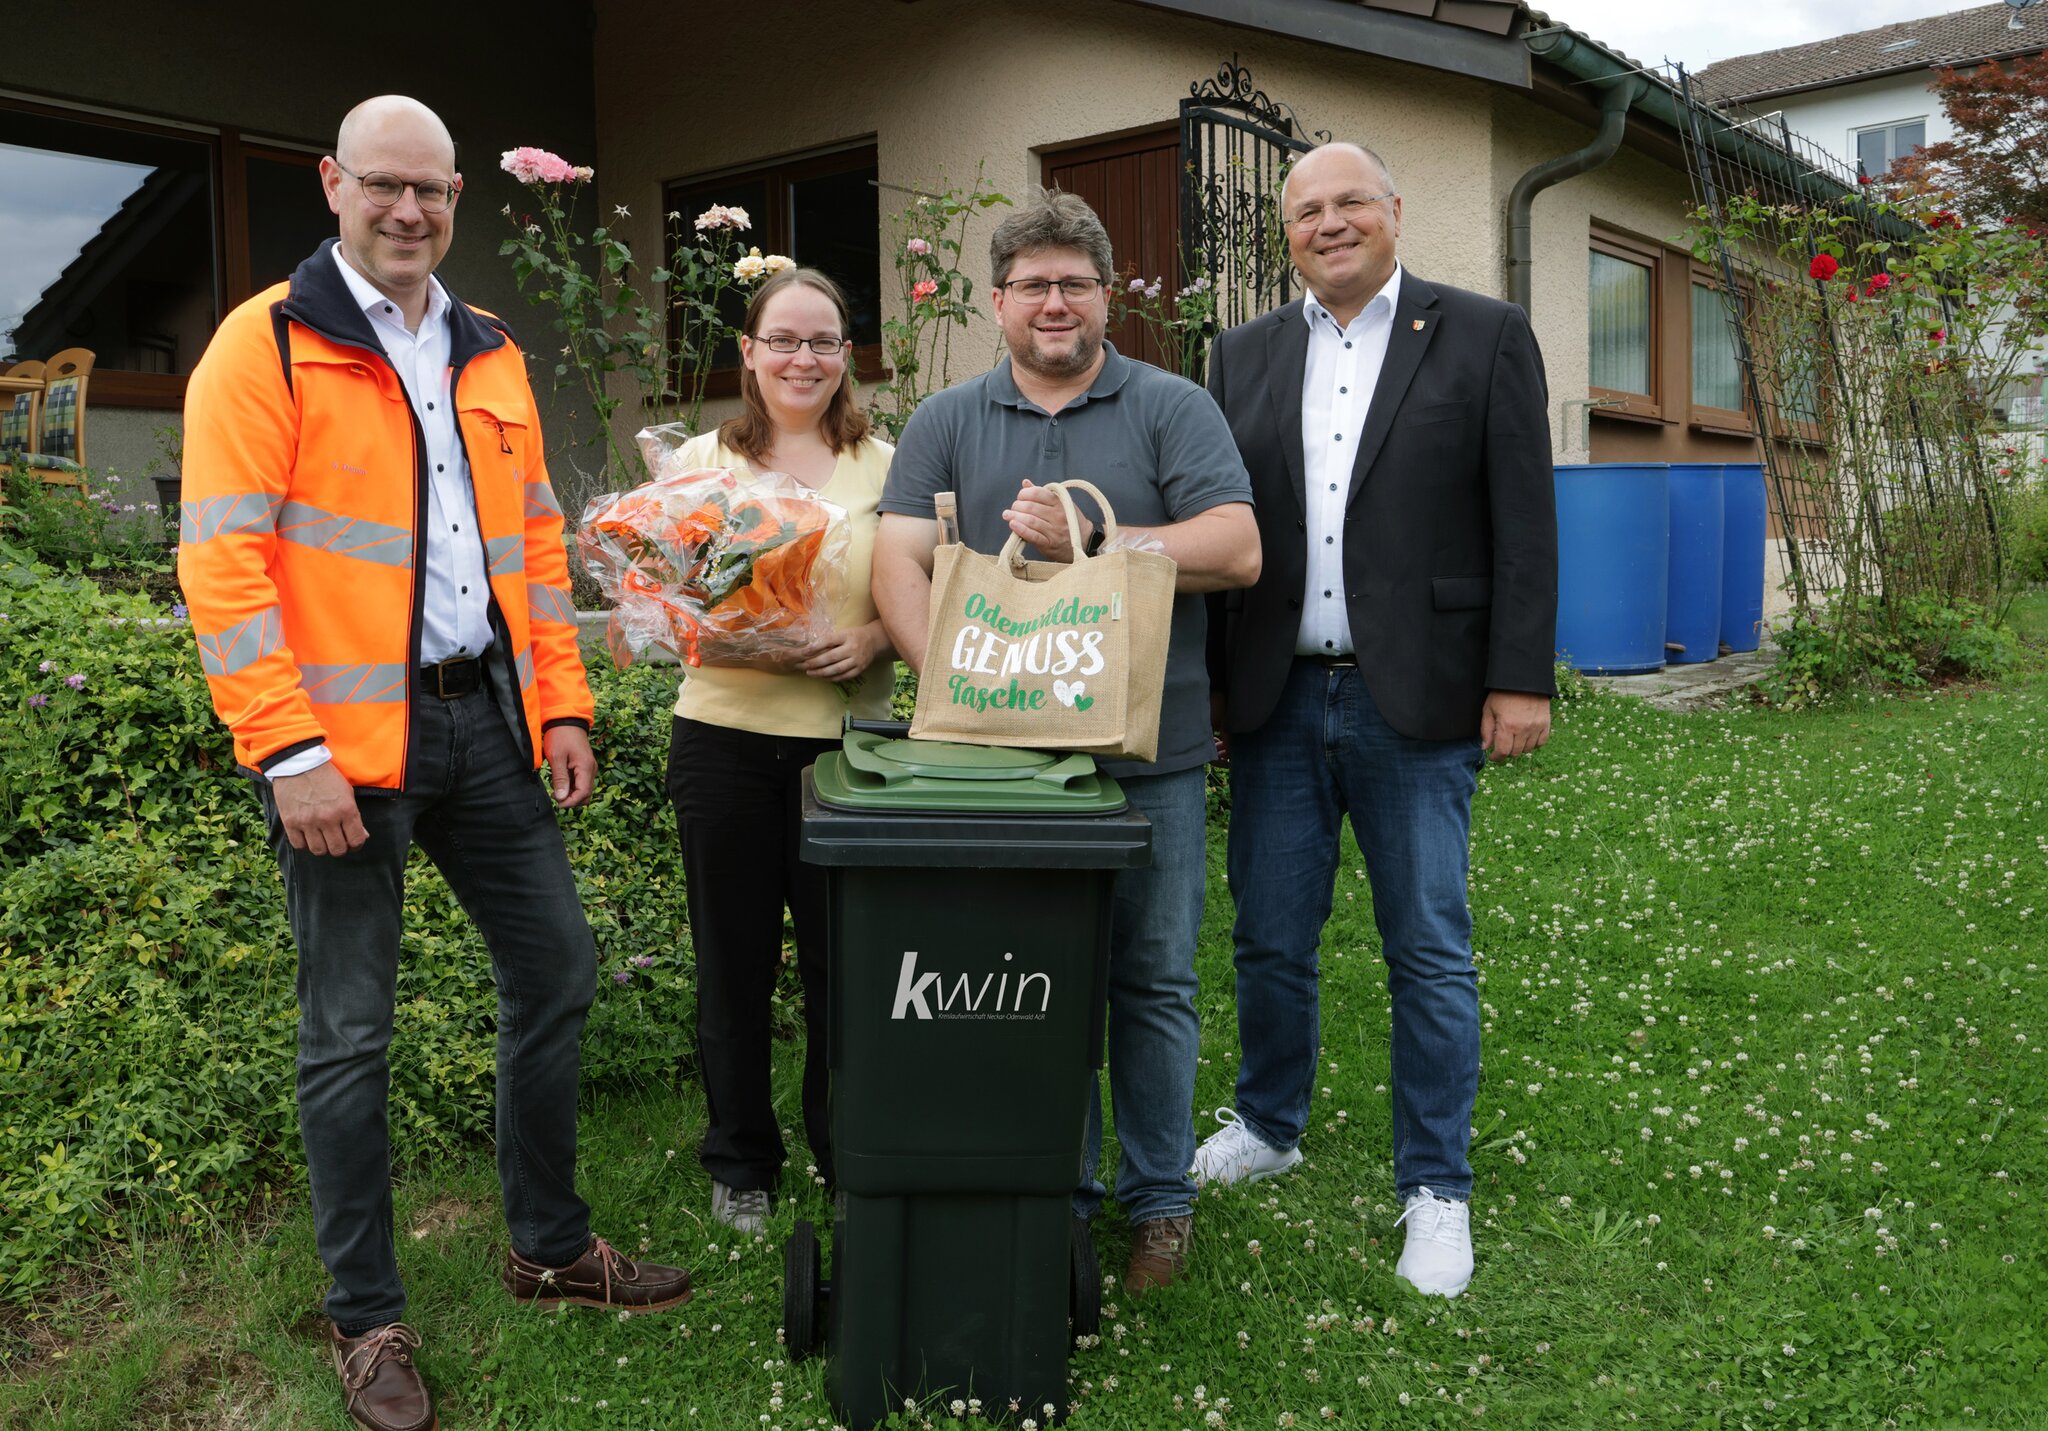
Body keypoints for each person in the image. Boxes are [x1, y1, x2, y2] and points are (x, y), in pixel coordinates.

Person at [178, 95, 690, 1431]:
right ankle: (367, 1313)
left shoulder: (491, 348)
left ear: (458, 197)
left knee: (558, 966)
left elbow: (526, 542)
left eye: (434, 191)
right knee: (348, 1031)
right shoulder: (266, 345)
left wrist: (561, 700)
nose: (410, 211)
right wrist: (286, 746)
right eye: (384, 187)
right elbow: (222, 564)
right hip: (341, 746)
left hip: (487, 725)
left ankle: (547, 1244)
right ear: (333, 184)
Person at [872, 187, 1260, 1296]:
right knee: (1022, 974)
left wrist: (1098, 534)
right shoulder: (947, 419)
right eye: (1032, 284)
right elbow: (899, 558)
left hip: (1150, 755)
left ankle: (1157, 1202)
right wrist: (950, 684)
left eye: (1074, 284)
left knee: (1149, 976)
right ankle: (1050, 1185)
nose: (1054, 302)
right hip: (998, 760)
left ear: (1105, 300)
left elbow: (1236, 547)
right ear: (996, 302)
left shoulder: (1169, 407)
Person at [1198, 141, 1556, 1299]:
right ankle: (1267, 1121)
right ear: (1287, 233)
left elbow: (1523, 520)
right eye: (1306, 210)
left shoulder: (1482, 333)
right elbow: (1216, 530)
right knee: (1267, 934)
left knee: (1427, 949)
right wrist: (1207, 688)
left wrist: (1519, 676)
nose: (1329, 222)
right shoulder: (1240, 354)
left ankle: (1434, 1188)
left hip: (1421, 697)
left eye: (1350, 201)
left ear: (1395, 212)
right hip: (1276, 693)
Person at [657, 266, 895, 1235]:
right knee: (734, 963)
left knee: (846, 971)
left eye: (823, 342)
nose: (803, 359)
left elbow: (927, 589)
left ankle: (846, 1153)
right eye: (783, 341)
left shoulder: (889, 464)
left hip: (846, 748)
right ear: (747, 355)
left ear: (847, 356)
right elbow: (668, 606)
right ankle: (740, 1160)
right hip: (722, 740)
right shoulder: (693, 466)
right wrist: (727, 631)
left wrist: (873, 638)